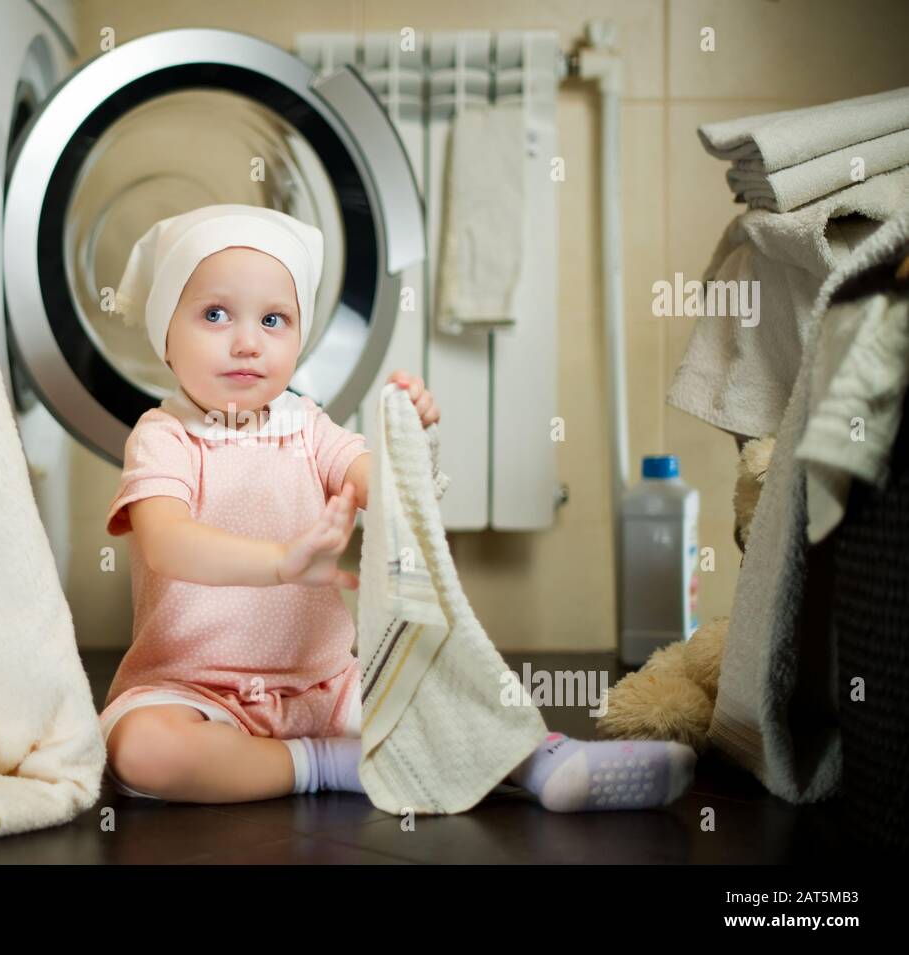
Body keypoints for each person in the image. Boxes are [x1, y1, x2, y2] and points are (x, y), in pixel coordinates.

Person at [100, 203, 696, 810]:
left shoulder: (308, 428)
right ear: (165, 335)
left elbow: (384, 486)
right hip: (192, 690)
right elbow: (165, 540)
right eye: (216, 314)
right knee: (145, 751)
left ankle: (548, 761)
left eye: (275, 320)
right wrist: (279, 561)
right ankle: (329, 764)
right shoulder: (164, 436)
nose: (248, 342)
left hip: (325, 684)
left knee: (446, 691)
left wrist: (413, 439)